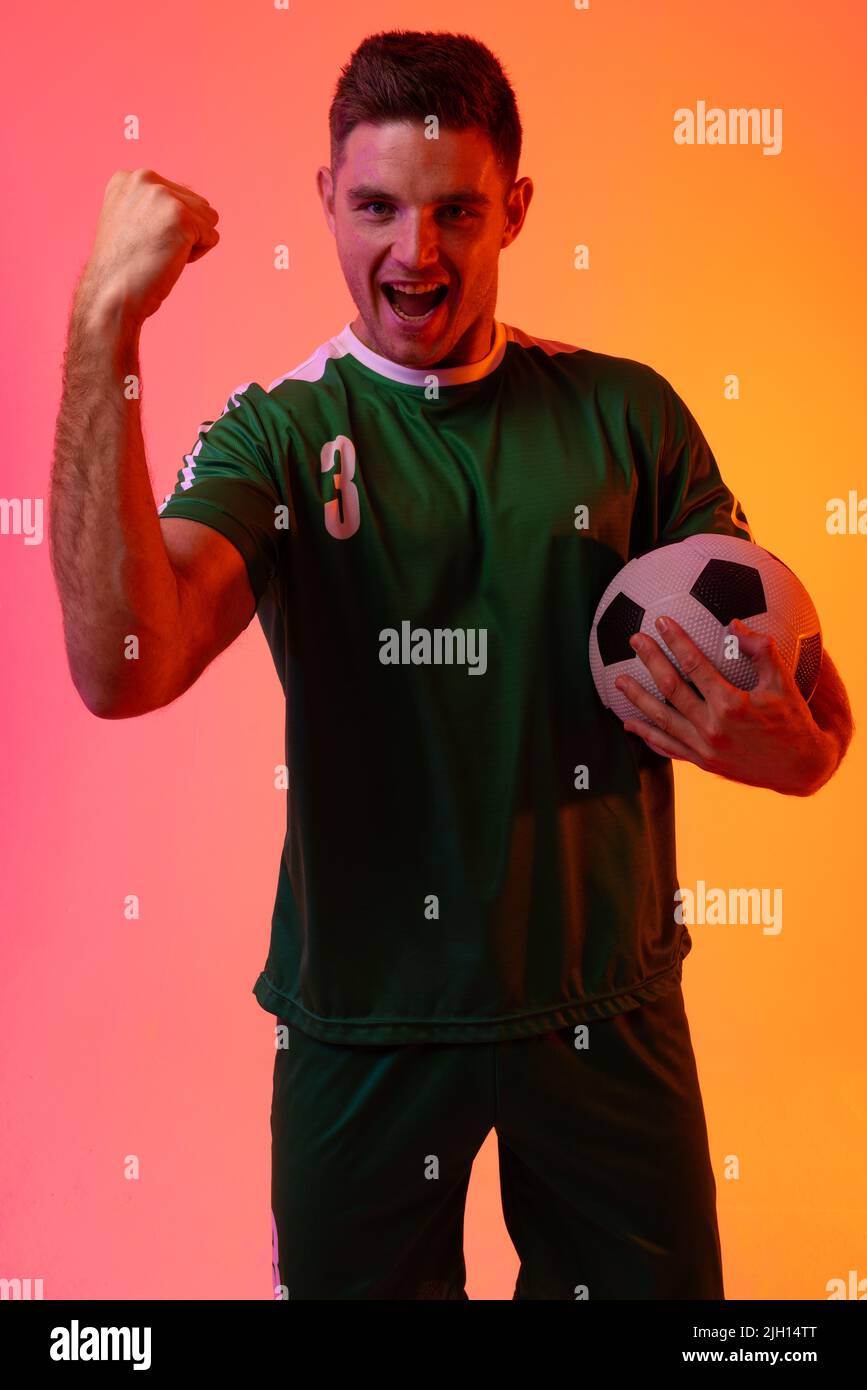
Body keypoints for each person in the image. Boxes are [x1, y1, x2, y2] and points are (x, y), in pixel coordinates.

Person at [49, 30, 853, 1300]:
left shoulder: (626, 415)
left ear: (514, 210)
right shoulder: (284, 431)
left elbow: (790, 670)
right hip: (364, 1018)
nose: (414, 255)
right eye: (374, 206)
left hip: (605, 1008)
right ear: (326, 199)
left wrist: (802, 753)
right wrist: (104, 325)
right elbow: (124, 664)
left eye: (455, 212)